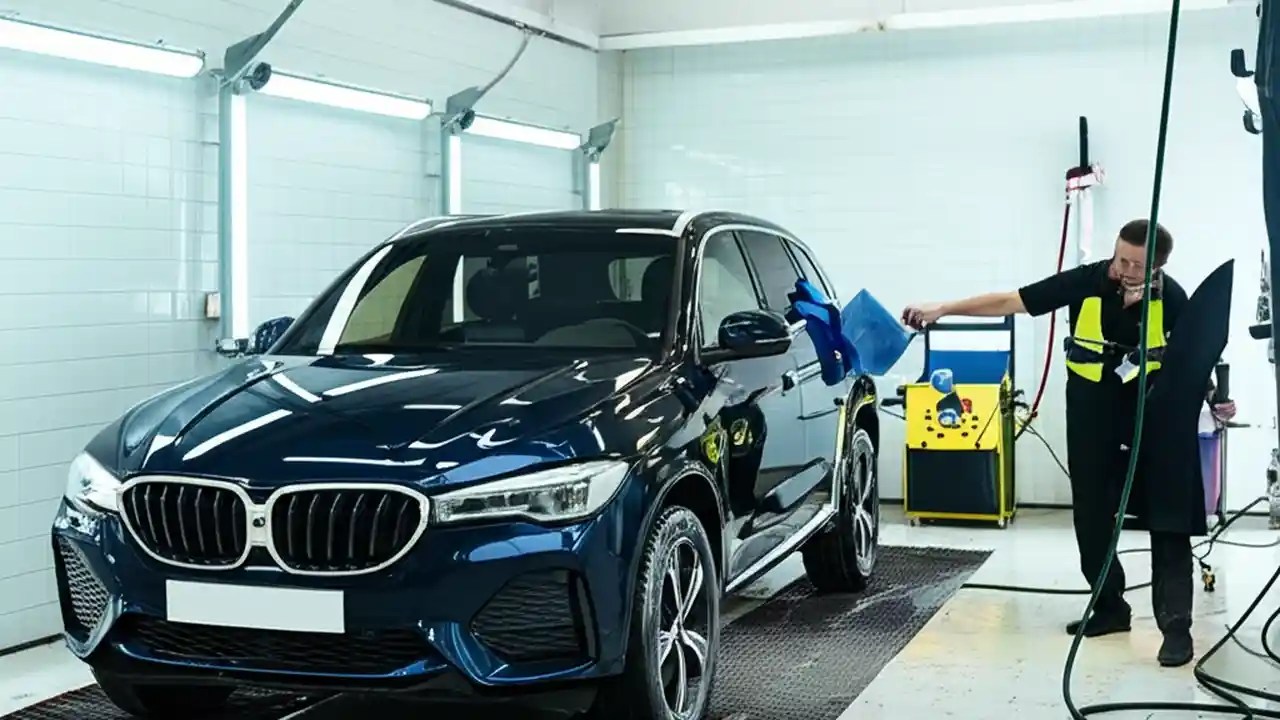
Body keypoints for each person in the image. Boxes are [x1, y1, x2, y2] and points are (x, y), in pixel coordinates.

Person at [901, 219, 1237, 667]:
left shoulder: (1173, 297)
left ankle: (1176, 628)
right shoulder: (1087, 281)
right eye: (1122, 259)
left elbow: (1195, 357)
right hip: (1092, 413)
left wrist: (1217, 399)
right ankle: (1109, 607)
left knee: (1168, 517)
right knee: (1092, 515)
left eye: (1140, 264)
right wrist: (942, 308)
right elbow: (1012, 300)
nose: (1128, 269)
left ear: (1160, 264)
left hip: (1150, 419)